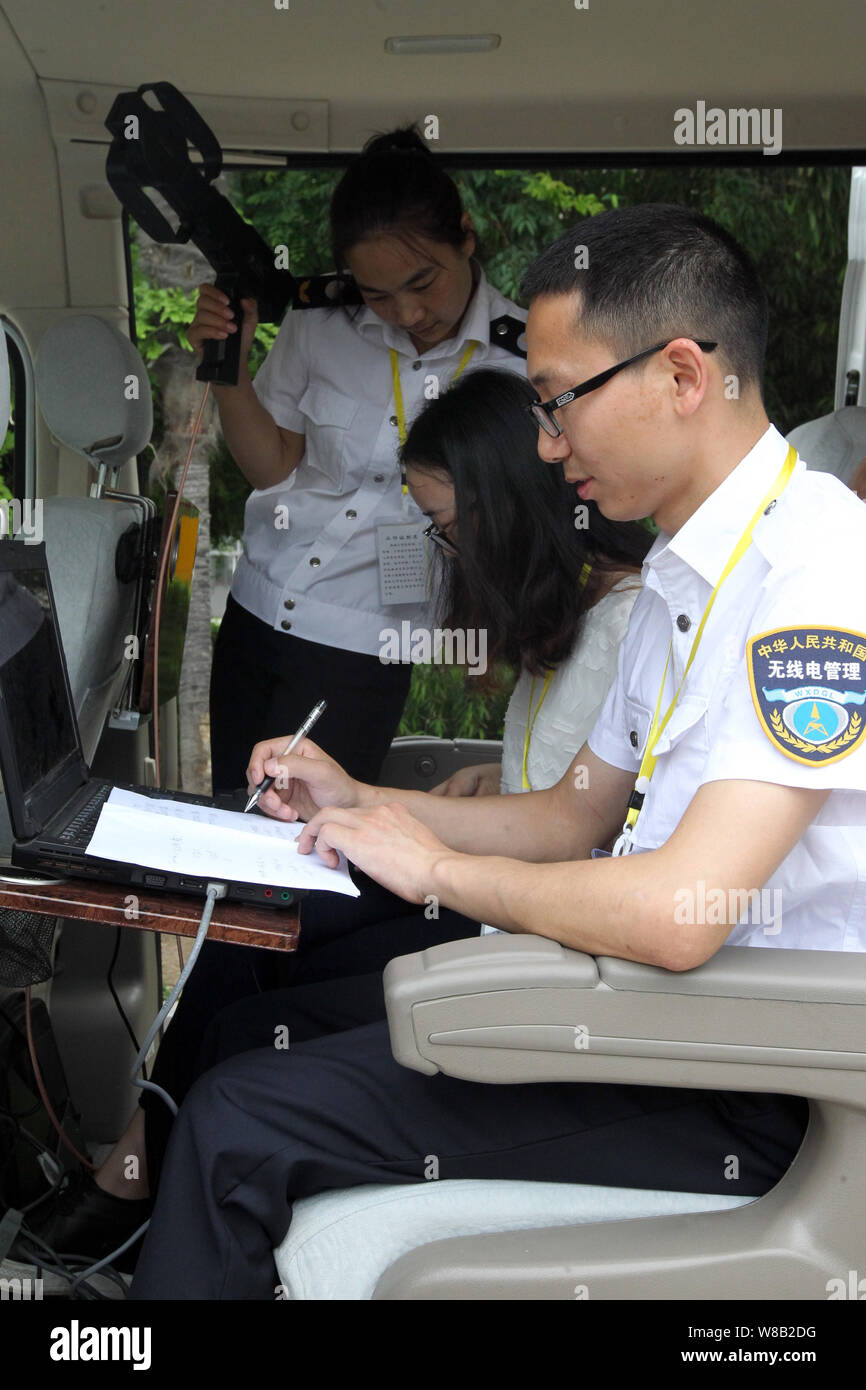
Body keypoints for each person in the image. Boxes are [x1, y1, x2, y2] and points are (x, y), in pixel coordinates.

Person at [126, 202, 866, 1300]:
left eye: (562, 402)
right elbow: (570, 815)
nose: (546, 441)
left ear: (678, 375)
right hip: (648, 1019)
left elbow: (679, 912)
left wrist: (439, 873)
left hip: (743, 1074)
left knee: (239, 1118)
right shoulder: (679, 576)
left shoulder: (813, 578)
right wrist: (360, 796)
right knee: (252, 1052)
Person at [25, 369, 649, 1261]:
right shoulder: (575, 617)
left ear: (512, 509)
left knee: (250, 1023)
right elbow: (561, 797)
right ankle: (135, 1176)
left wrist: (378, 809)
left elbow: (572, 827)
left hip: (517, 933)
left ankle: (141, 1192)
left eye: (450, 531)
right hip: (499, 899)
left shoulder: (634, 628)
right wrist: (480, 791)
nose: (448, 556)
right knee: (255, 918)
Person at [196, 126, 528, 796]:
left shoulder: (520, 358)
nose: (407, 311)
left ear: (465, 234)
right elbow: (274, 468)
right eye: (377, 293)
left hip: (363, 642)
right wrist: (226, 363)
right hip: (256, 611)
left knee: (306, 848)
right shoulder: (322, 321)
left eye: (422, 282)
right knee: (229, 814)